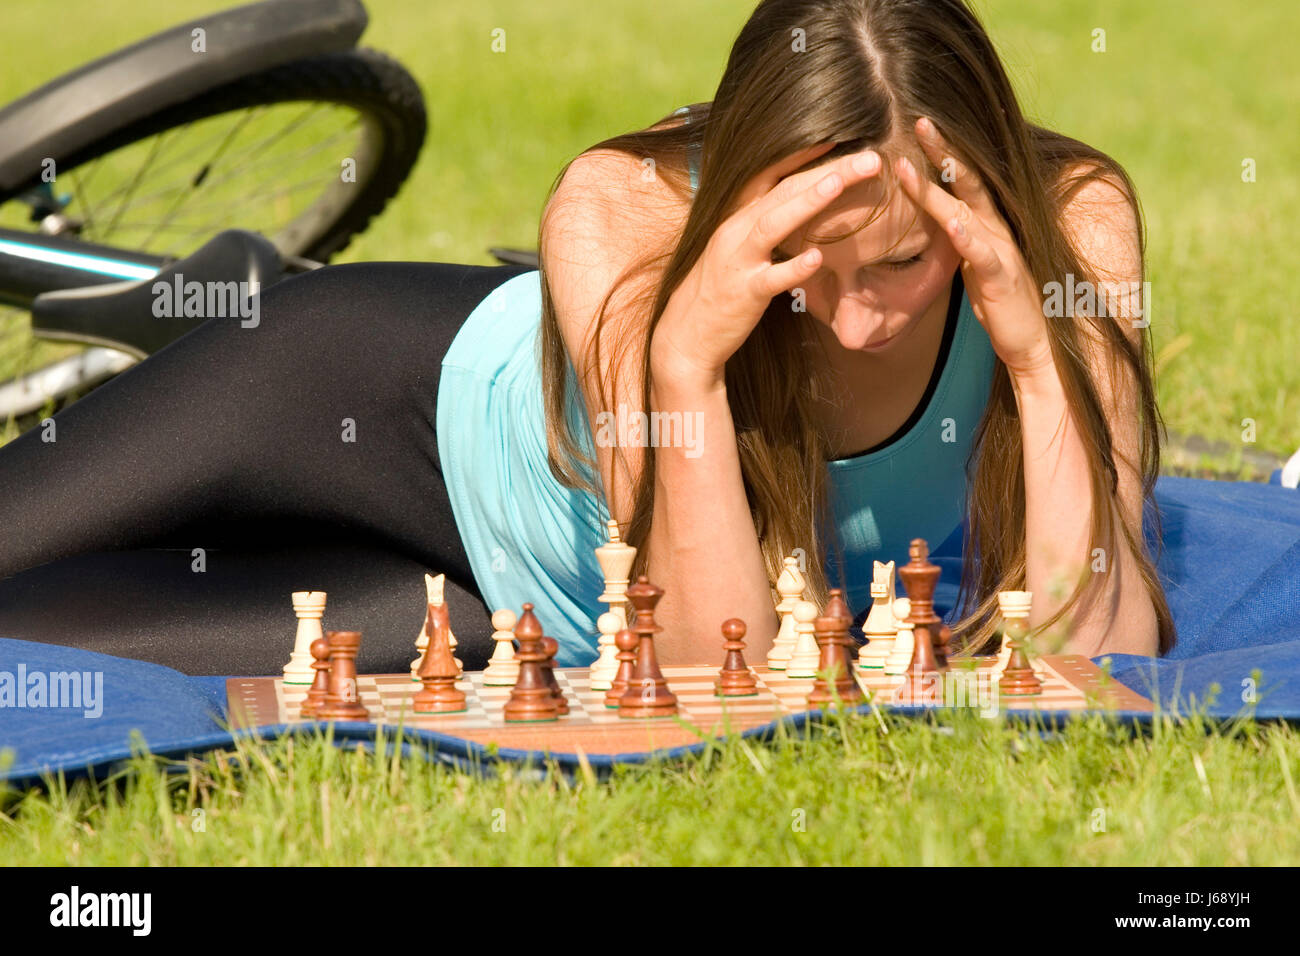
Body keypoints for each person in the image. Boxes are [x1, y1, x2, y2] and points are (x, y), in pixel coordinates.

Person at [0, 0, 1172, 676]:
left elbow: (1099, 653)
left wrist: (1030, 351)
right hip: (348, 391)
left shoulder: (1071, 227)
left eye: (908, 263)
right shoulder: (620, 209)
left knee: (41, 648)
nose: (859, 317)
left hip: (504, 606)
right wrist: (683, 356)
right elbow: (740, 651)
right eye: (814, 266)